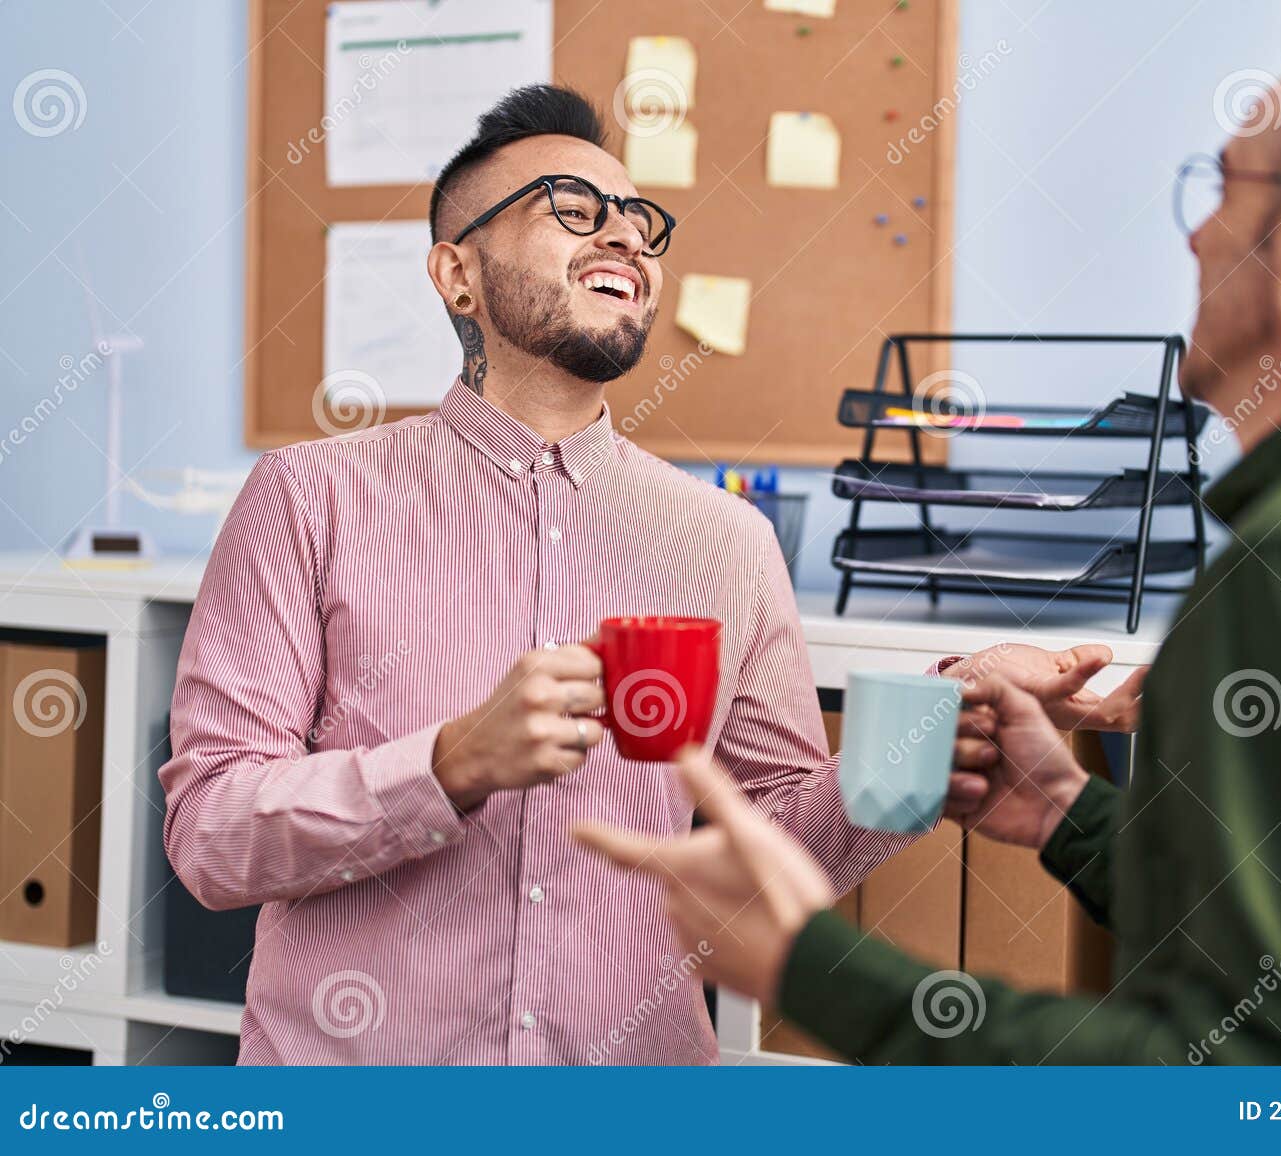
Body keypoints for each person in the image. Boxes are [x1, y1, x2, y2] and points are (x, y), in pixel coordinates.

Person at [575, 0, 1281, 1064]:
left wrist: (808, 965)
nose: (1197, 231)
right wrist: (1072, 813)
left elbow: (1257, 1082)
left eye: (1222, 186)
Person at [159, 84, 1132, 1064]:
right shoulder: (309, 499)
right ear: (457, 275)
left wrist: (942, 718)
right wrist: (448, 763)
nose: (624, 238)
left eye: (640, 222)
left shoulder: (725, 539)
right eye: (571, 210)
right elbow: (210, 833)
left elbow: (780, 847)